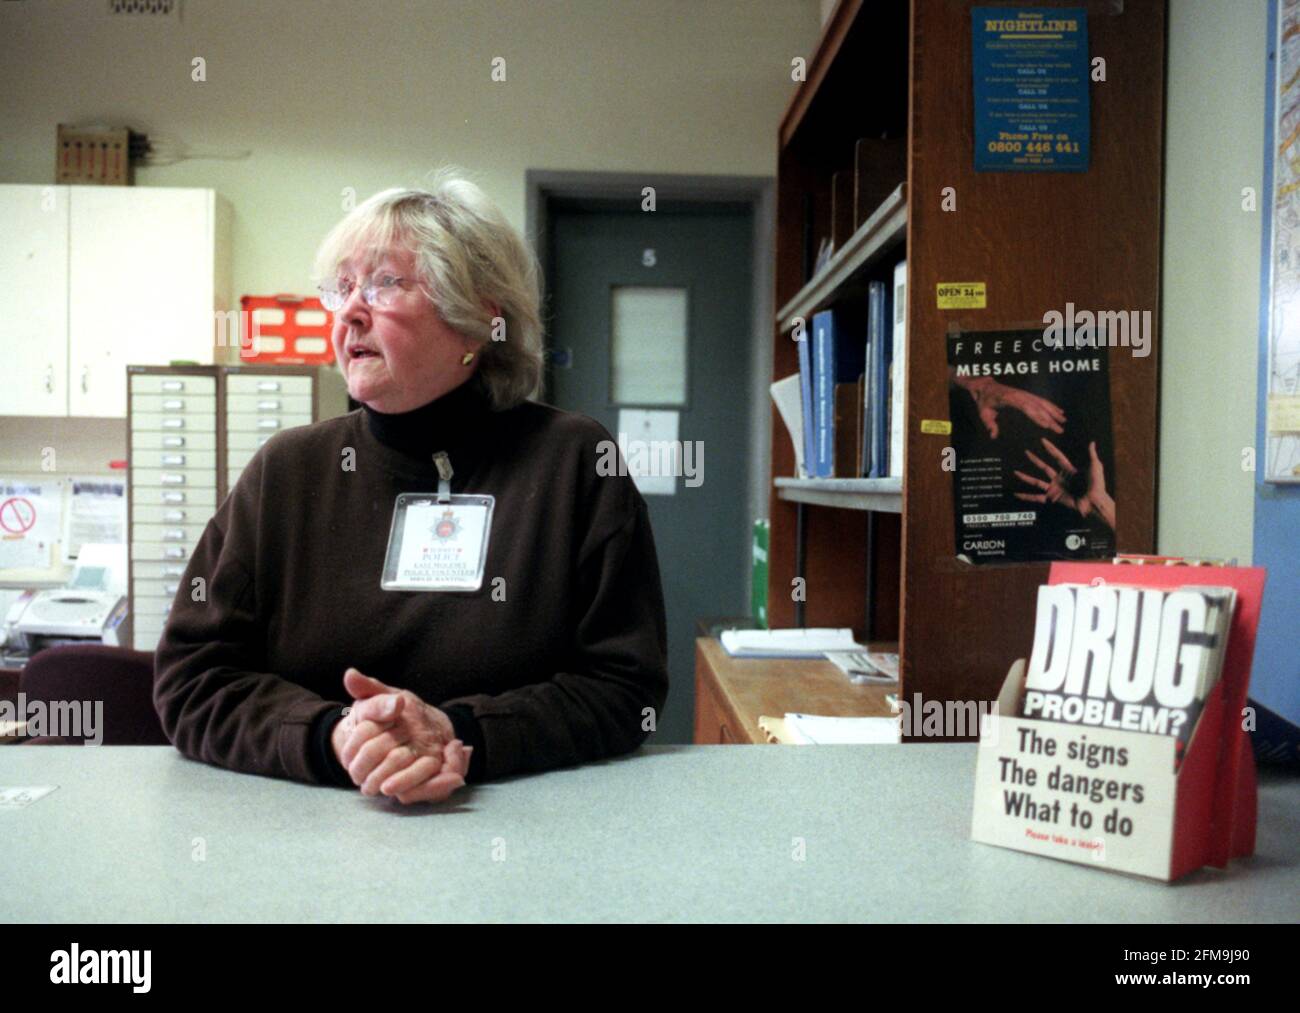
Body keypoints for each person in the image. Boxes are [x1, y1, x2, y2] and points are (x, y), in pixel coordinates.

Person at [153, 174, 670, 805]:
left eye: (384, 284)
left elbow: (625, 690)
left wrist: (460, 732)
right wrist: (334, 737)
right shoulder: (286, 472)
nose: (350, 311)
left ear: (479, 320)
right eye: (343, 287)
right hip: (306, 832)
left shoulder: (574, 464)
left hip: (520, 831)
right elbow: (192, 680)